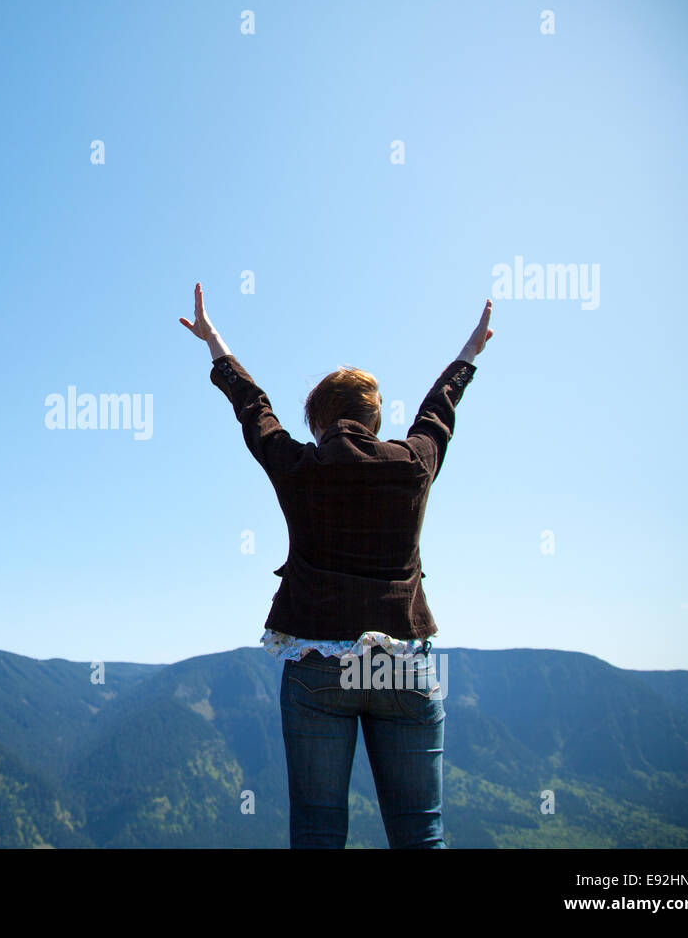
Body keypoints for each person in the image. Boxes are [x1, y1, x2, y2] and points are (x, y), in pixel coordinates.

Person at [179, 283, 493, 848]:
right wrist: (467, 356)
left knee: (320, 830)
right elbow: (437, 414)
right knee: (421, 832)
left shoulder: (299, 466)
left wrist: (216, 344)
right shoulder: (414, 465)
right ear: (373, 419)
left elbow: (255, 411)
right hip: (402, 661)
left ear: (318, 421)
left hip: (318, 659)